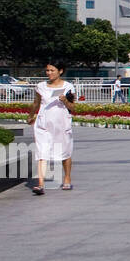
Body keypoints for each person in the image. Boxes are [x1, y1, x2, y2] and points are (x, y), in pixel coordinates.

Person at [31, 60, 75, 194]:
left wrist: (65, 100)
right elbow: (36, 103)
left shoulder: (68, 87)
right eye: (47, 70)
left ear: (60, 71)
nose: (49, 73)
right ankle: (40, 184)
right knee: (42, 153)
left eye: (52, 70)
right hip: (43, 124)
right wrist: (30, 115)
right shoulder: (41, 86)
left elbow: (73, 107)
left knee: (64, 153)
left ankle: (67, 178)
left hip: (61, 124)